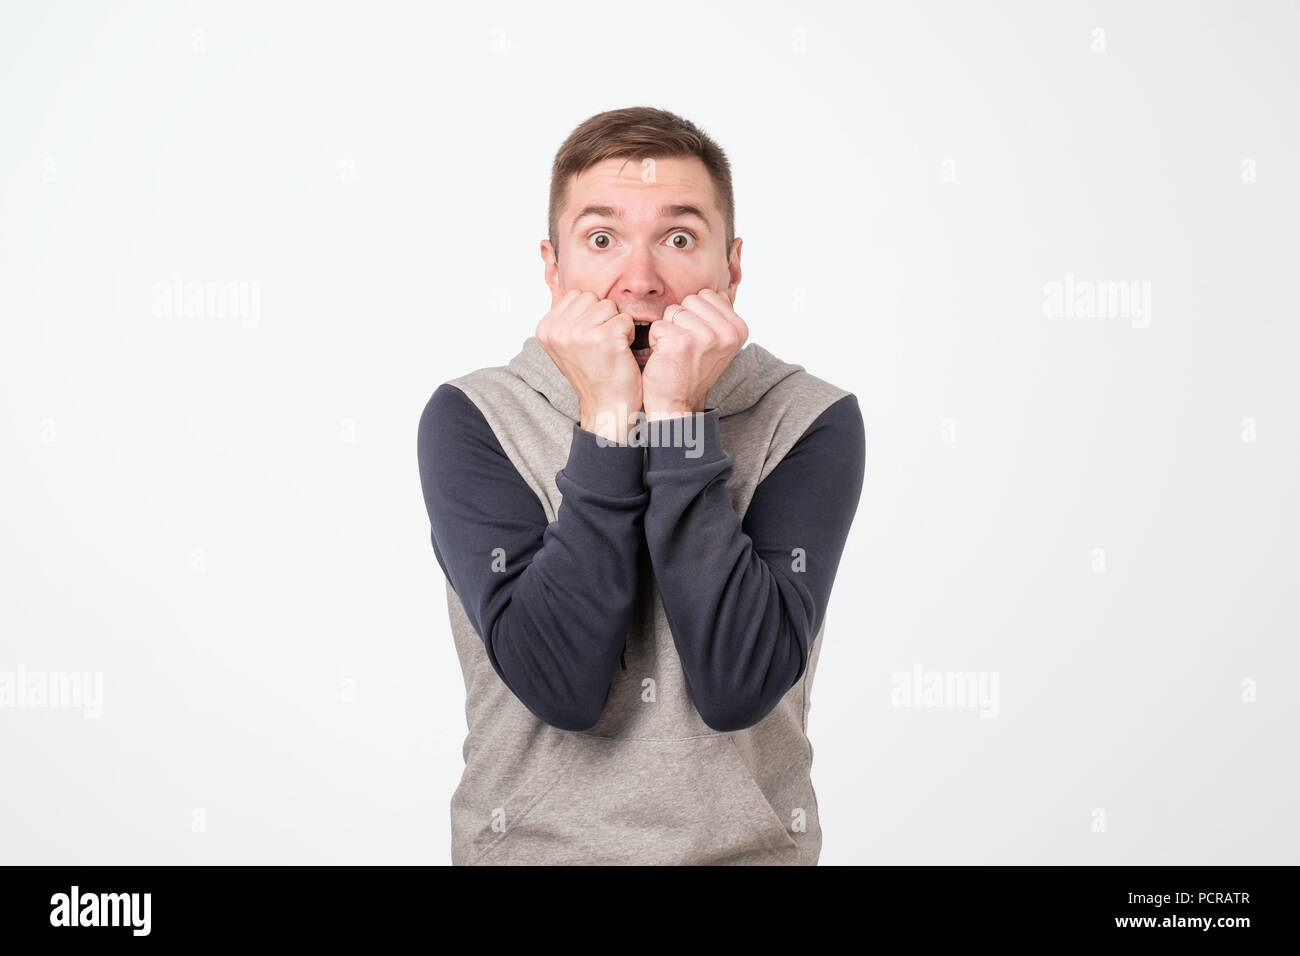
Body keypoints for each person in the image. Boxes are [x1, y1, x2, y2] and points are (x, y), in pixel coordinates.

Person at [416, 106, 865, 865]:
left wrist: (678, 418)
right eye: (601, 240)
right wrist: (608, 420)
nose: (641, 280)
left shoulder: (808, 417)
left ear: (733, 266)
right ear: (553, 268)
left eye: (680, 238)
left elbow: (737, 686)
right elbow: (563, 687)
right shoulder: (474, 416)